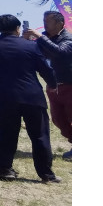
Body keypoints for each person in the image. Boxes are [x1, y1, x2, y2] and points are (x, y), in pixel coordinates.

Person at [0, 14, 59, 182]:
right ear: (17, 28)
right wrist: (52, 84)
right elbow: (45, 69)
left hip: (5, 97)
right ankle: (46, 174)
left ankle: (5, 169)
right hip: (32, 96)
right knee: (39, 136)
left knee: (7, 134)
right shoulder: (30, 46)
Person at [25, 11, 71, 161]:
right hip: (53, 85)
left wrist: (40, 37)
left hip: (70, 84)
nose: (45, 24)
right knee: (58, 119)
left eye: (48, 21)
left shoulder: (68, 38)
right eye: (44, 21)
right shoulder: (45, 38)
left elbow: (60, 52)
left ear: (60, 24)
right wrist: (25, 41)